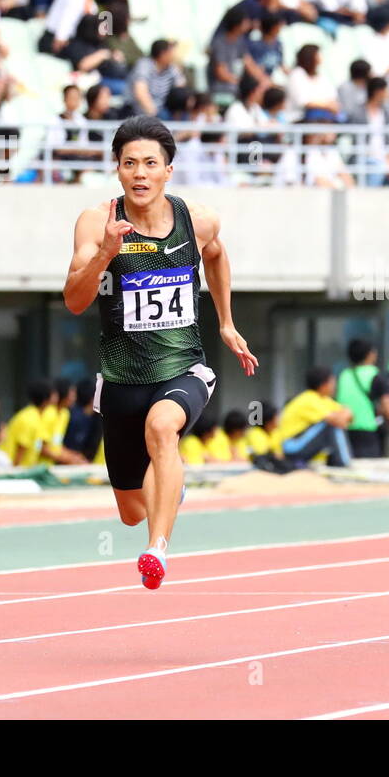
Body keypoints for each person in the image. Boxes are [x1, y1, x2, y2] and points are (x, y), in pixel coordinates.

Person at [63, 116, 258, 589]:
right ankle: (169, 491)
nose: (140, 173)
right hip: (121, 376)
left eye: (151, 163)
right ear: (117, 169)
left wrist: (227, 322)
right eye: (130, 163)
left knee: (162, 427)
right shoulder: (96, 222)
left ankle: (157, 550)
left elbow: (215, 253)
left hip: (182, 365)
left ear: (168, 170)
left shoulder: (198, 218)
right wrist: (106, 252)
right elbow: (74, 300)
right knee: (131, 510)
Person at [273, 367, 354, 468]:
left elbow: (349, 413)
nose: (334, 386)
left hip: (299, 444)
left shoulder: (324, 399)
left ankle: (340, 460)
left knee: (331, 424)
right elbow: (339, 420)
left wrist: (343, 415)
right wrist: (342, 416)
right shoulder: (308, 399)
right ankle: (343, 462)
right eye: (332, 382)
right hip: (291, 447)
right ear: (323, 385)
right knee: (330, 425)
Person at [336, 338, 389, 457]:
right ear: (369, 355)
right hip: (367, 433)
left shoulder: (343, 375)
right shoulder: (374, 375)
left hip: (345, 432)